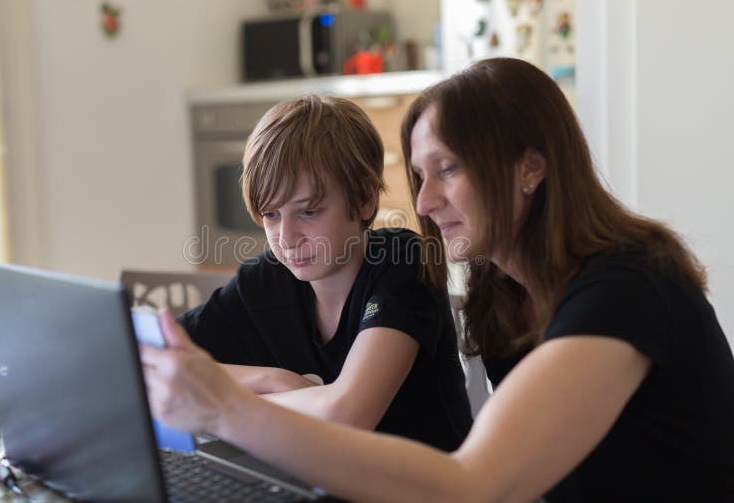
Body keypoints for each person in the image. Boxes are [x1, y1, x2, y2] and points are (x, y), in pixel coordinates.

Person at [141, 58, 734, 502]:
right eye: (420, 175)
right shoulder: (503, 295)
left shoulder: (627, 288)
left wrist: (224, 408)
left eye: (447, 170)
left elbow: (472, 483)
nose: (424, 201)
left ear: (530, 168)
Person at [173, 94, 472, 451]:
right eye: (271, 214)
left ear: (365, 200)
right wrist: (273, 380)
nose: (286, 238)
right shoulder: (265, 280)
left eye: (309, 212)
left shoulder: (404, 262)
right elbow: (159, 360)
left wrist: (217, 399)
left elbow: (346, 413)